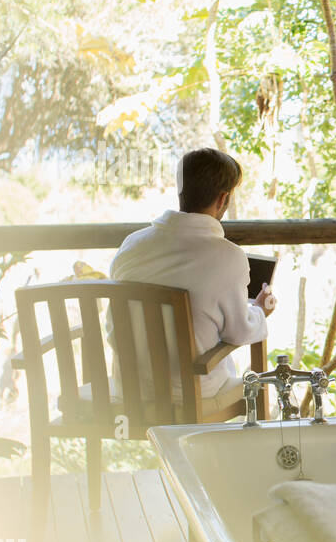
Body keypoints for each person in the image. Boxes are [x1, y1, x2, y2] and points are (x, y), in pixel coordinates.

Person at [110, 148, 274, 415]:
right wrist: (260, 311)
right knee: (262, 387)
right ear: (223, 198)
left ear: (180, 190)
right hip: (192, 394)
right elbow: (240, 333)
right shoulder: (227, 256)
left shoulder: (131, 244)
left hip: (130, 389)